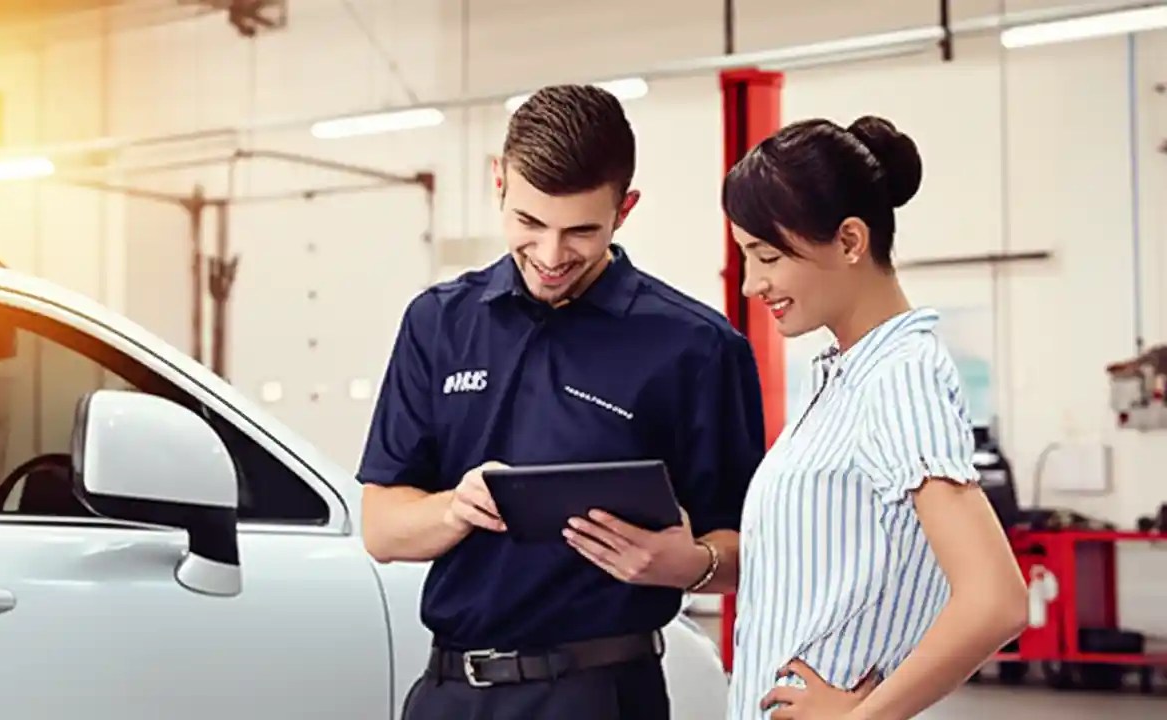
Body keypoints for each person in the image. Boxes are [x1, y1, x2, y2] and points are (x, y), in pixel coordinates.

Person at [356, 84, 766, 720]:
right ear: (499, 182)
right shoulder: (437, 323)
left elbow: (753, 551)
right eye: (529, 223)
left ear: (624, 210)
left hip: (599, 693)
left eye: (580, 231)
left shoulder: (697, 348)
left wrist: (690, 564)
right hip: (449, 692)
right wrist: (456, 508)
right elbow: (382, 528)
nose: (550, 257)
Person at [720, 115, 1030, 720]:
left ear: (850, 242)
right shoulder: (844, 374)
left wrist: (860, 719)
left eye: (767, 255)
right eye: (746, 257)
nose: (753, 283)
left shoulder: (899, 374)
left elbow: (996, 599)